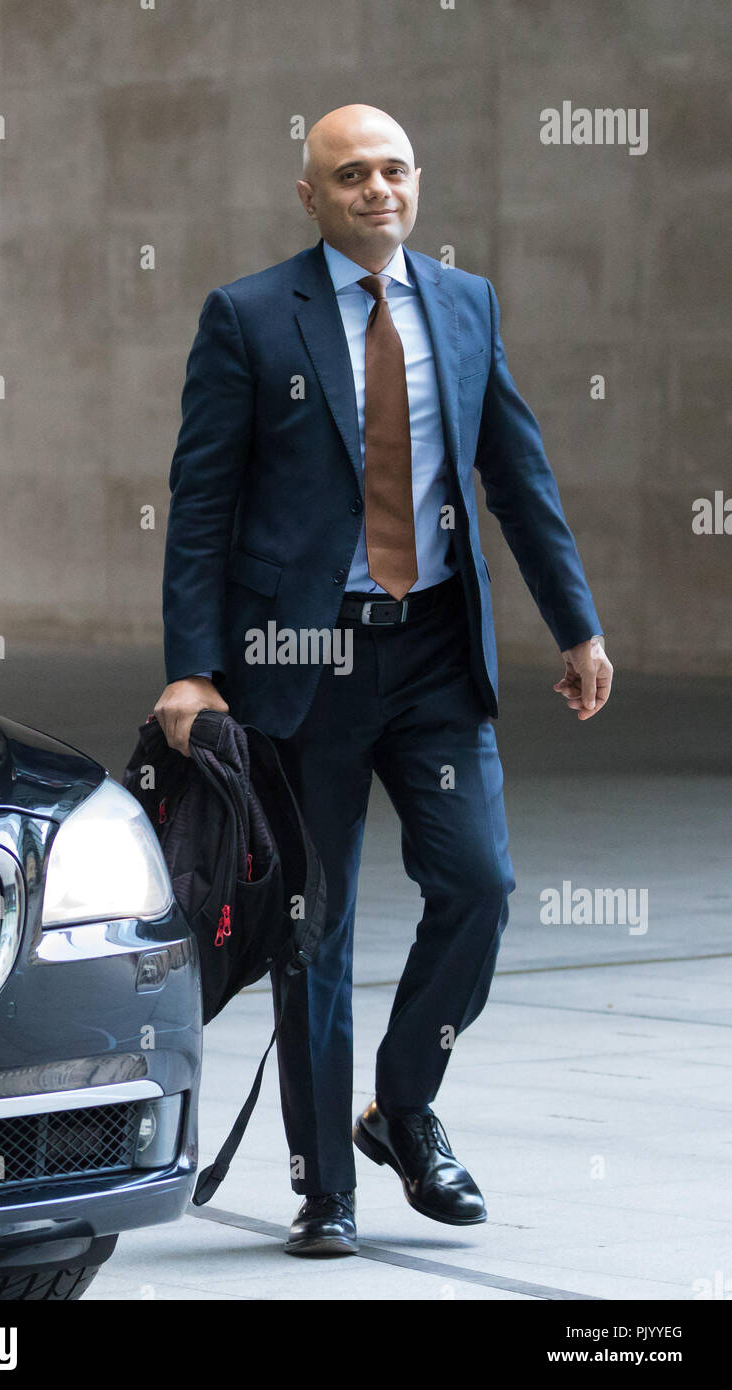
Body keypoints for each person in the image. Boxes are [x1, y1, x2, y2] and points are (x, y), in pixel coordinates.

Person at [154, 104, 613, 1257]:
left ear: (419, 182)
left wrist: (577, 625)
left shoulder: (463, 306)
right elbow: (200, 507)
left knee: (481, 883)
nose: (376, 189)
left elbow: (516, 472)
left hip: (431, 654)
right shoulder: (249, 317)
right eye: (349, 173)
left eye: (393, 169)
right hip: (300, 663)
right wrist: (193, 672)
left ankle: (401, 1107)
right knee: (313, 928)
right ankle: (324, 1192)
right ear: (309, 196)